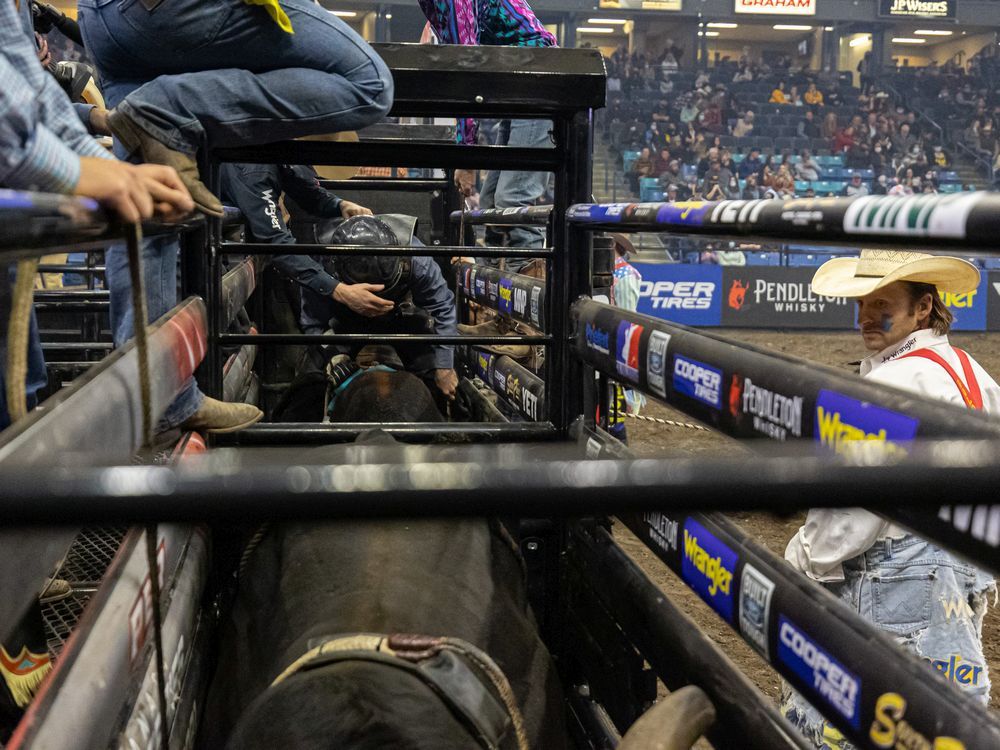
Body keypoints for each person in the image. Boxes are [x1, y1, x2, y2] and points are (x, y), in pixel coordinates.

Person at [783, 250, 998, 748]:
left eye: (880, 303)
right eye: (862, 303)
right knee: (942, 718)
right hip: (959, 565)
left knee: (847, 717)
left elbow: (852, 507)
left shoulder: (893, 381)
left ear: (922, 308)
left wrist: (807, 561)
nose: (865, 316)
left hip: (894, 575)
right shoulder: (970, 372)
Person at [77, 0, 393, 215]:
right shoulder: (258, 172)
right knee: (370, 84)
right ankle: (167, 104)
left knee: (148, 209)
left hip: (99, 17)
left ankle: (141, 317)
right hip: (172, 13)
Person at [422, 0, 556, 263]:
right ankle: (493, 286)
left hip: (537, 78)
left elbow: (469, 69)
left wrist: (467, 158)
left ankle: (524, 280)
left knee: (512, 199)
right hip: (516, 84)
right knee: (491, 200)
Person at [294, 216, 458, 403]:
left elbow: (443, 305)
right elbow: (313, 322)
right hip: (346, 322)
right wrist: (333, 355)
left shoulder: (415, 258)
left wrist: (444, 366)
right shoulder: (322, 261)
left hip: (399, 317)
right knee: (310, 381)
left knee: (436, 375)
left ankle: (452, 425)